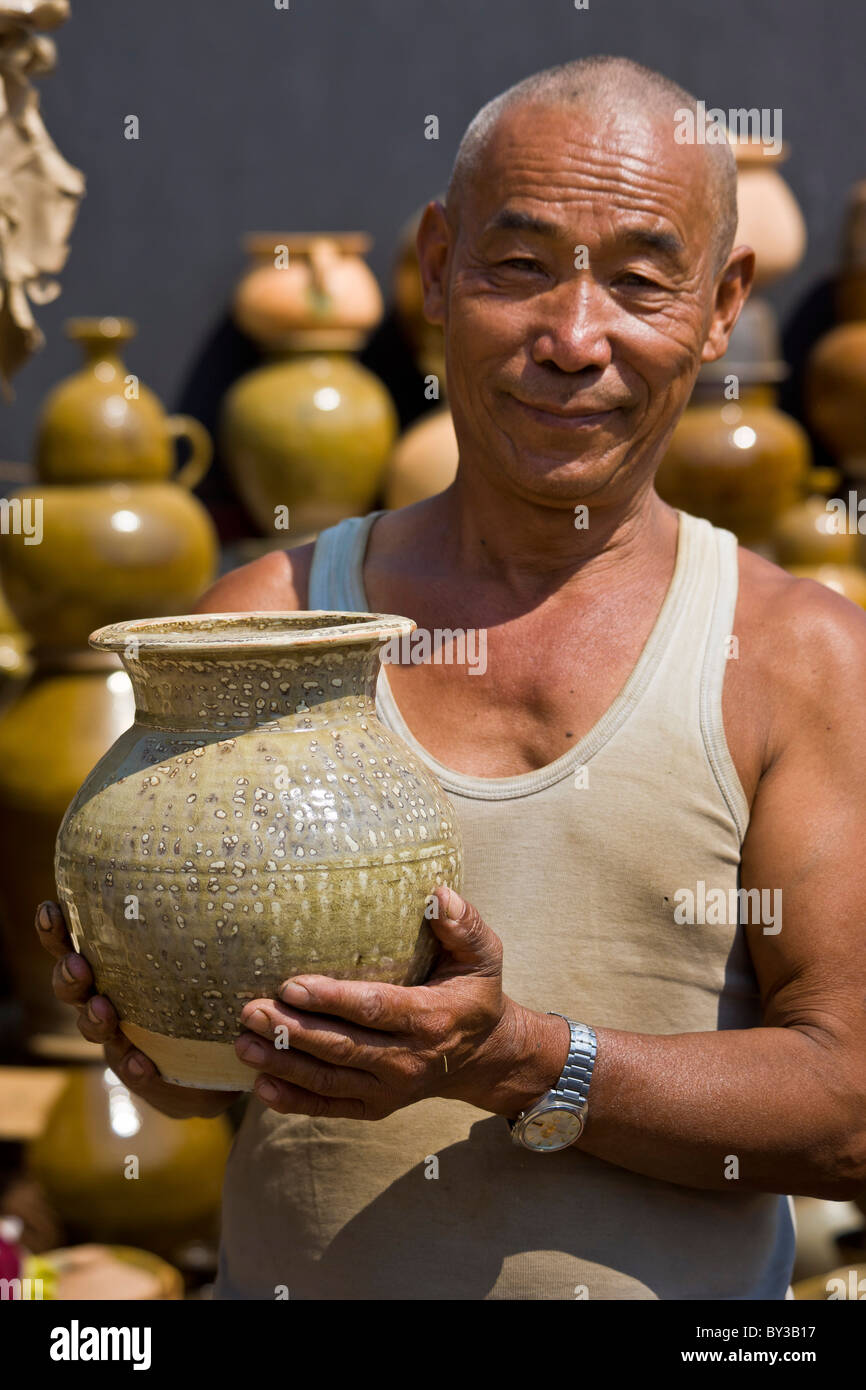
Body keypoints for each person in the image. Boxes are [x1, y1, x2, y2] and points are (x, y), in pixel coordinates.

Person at [37, 56, 866, 1300]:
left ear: (719, 302)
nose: (573, 340)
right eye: (517, 267)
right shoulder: (262, 628)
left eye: (641, 283)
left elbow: (849, 1107)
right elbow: (223, 1087)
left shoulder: (794, 656)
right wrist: (173, 1039)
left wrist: (521, 1060)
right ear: (433, 267)